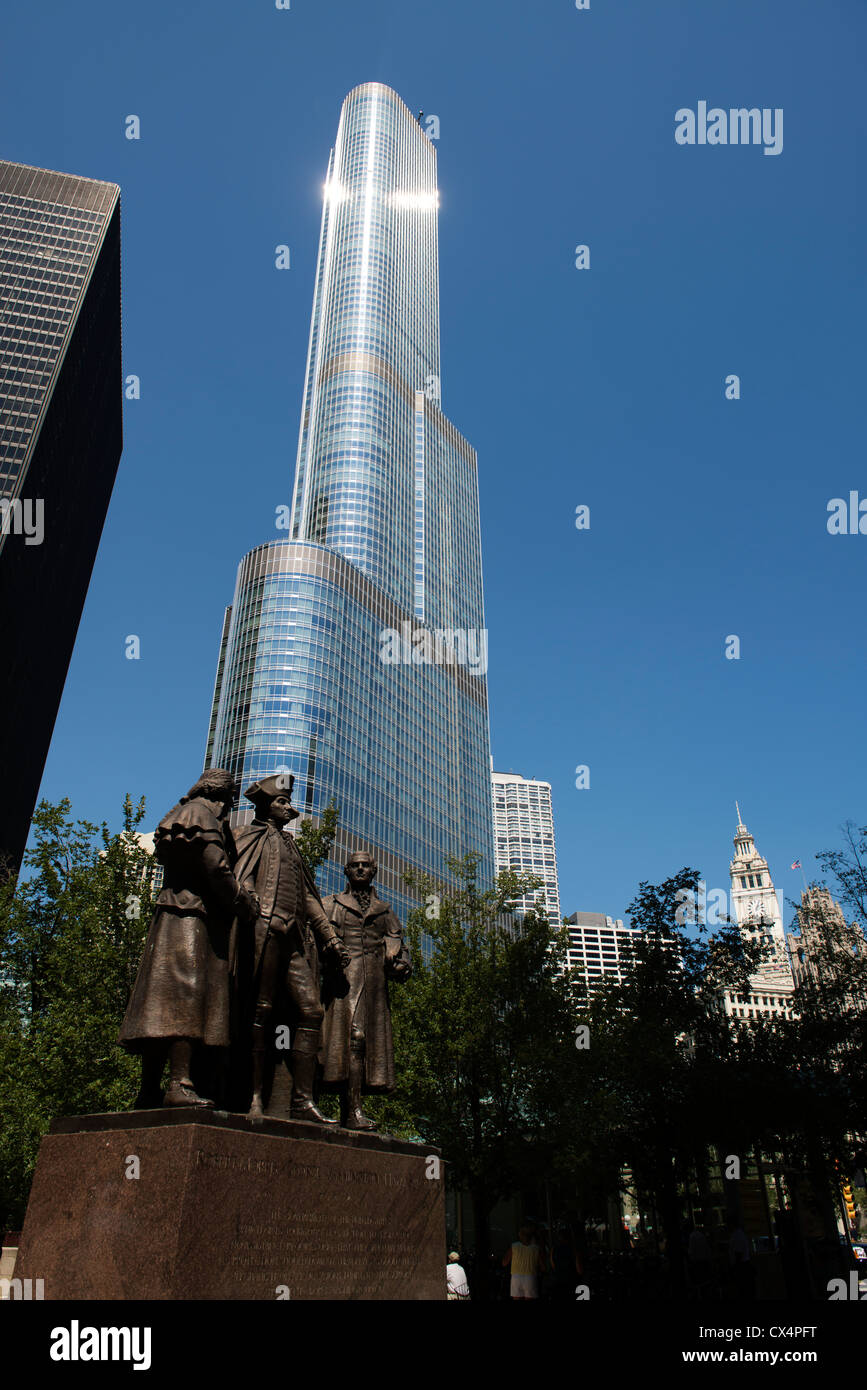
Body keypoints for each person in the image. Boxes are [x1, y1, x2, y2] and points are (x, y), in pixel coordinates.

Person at [118, 769, 259, 1108]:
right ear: (220, 796)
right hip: (192, 917)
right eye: (230, 800)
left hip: (176, 915)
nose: (229, 808)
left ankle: (149, 1088)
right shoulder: (200, 815)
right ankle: (178, 1082)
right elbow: (216, 868)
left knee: (161, 1001)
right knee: (185, 998)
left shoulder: (182, 813)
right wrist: (243, 901)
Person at [232, 773, 349, 1122]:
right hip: (265, 931)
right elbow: (242, 878)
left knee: (311, 1011)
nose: (288, 808)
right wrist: (253, 901)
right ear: (267, 805)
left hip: (295, 939)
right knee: (260, 1011)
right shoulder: (248, 837)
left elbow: (310, 900)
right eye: (282, 802)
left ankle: (302, 1100)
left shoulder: (292, 847)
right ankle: (252, 1096)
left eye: (287, 801)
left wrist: (329, 937)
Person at [318, 850, 411, 1130]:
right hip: (342, 986)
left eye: (365, 866)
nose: (360, 869)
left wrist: (402, 964)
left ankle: (352, 1111)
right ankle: (347, 1111)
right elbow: (319, 941)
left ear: (374, 871)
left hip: (373, 987)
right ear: (346, 871)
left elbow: (400, 946)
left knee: (363, 1044)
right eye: (355, 865)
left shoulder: (385, 910)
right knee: (348, 1041)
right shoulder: (331, 904)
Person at [502, 1225, 545, 1299]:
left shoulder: (514, 1246)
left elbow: (504, 1262)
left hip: (516, 1277)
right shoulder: (536, 1248)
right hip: (530, 1277)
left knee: (516, 1298)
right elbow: (543, 1267)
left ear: (520, 1235)